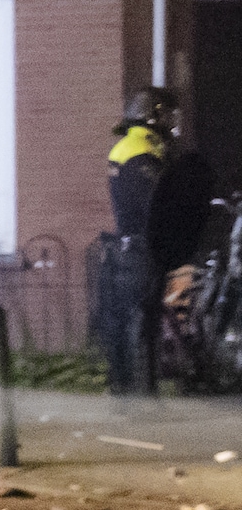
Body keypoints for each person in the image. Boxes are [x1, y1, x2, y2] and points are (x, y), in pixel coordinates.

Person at [98, 87, 178, 395]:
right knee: (146, 327)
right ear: (155, 116)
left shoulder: (123, 148)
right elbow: (159, 206)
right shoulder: (145, 154)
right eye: (169, 116)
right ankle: (145, 399)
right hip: (143, 253)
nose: (172, 124)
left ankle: (120, 390)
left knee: (121, 326)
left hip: (122, 250)